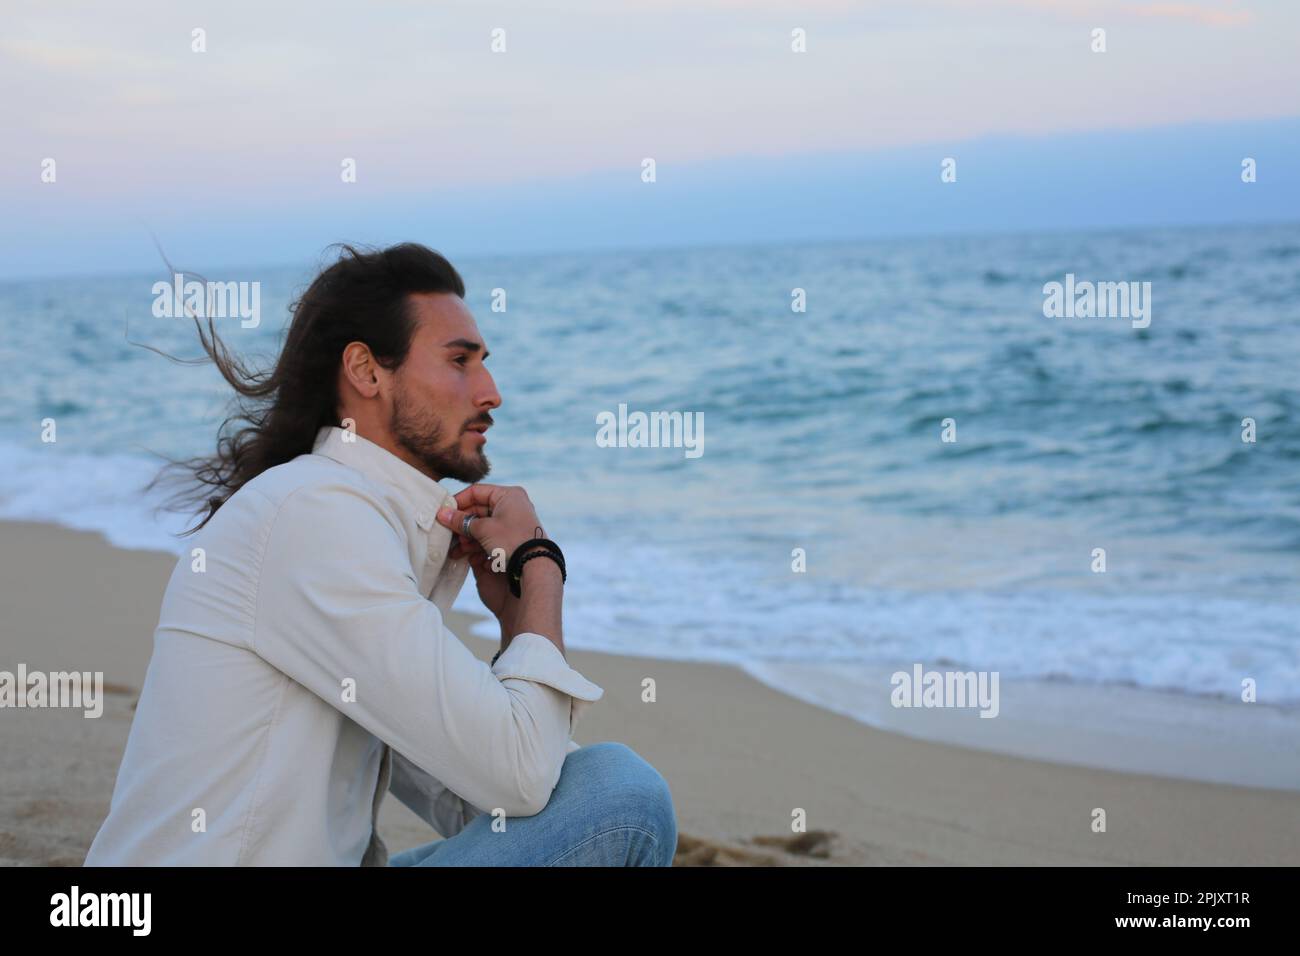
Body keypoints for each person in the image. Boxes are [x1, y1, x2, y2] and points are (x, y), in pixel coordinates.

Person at [84, 242, 677, 866]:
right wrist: (541, 565)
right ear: (366, 372)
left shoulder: (342, 515)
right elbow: (519, 779)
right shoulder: (316, 516)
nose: (491, 391)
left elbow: (483, 801)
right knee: (623, 798)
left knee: (594, 787)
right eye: (459, 361)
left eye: (485, 363)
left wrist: (515, 621)